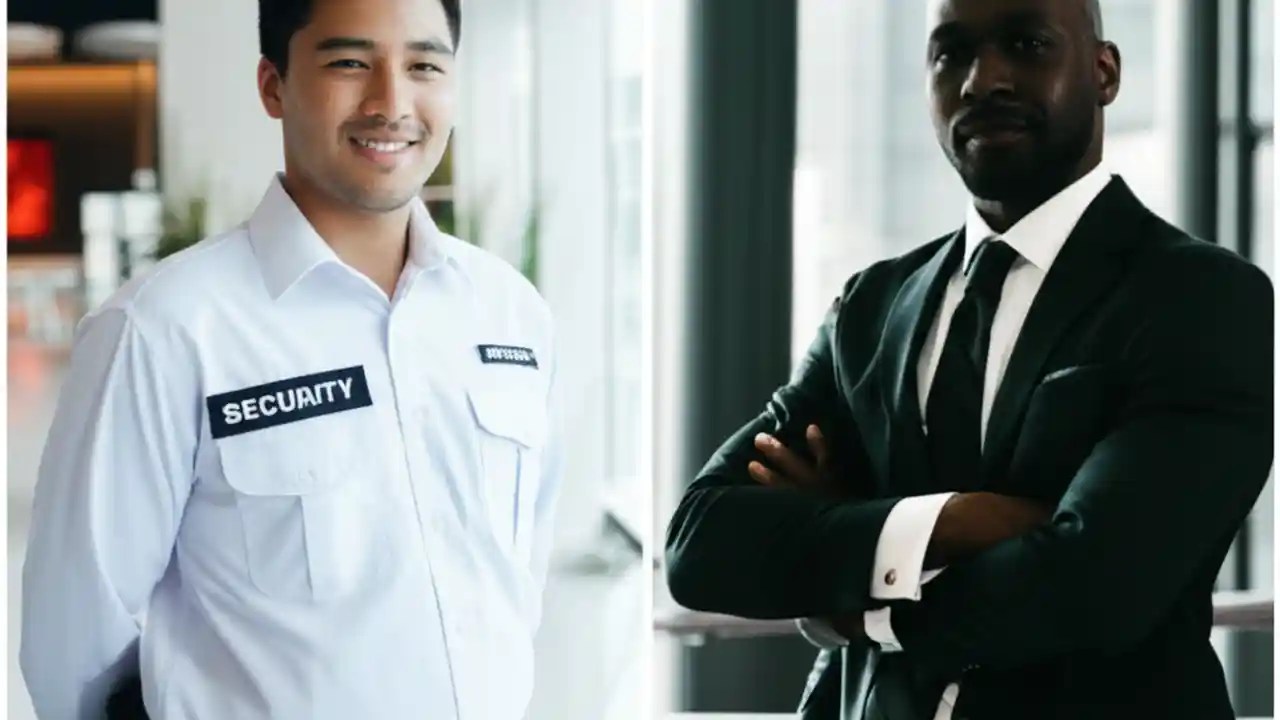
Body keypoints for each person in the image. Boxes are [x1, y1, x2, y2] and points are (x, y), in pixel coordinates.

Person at [664, 0, 1273, 718]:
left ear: (1104, 72)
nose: (983, 81)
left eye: (1026, 43)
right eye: (950, 54)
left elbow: (1095, 587)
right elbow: (701, 543)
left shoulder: (1201, 298)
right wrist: (955, 521)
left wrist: (862, 595)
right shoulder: (872, 307)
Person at [20, 0, 562, 717]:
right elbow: (72, 643)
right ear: (273, 85)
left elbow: (513, 582)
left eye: (424, 65)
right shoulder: (165, 328)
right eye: (349, 63)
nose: (391, 102)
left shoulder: (510, 312)